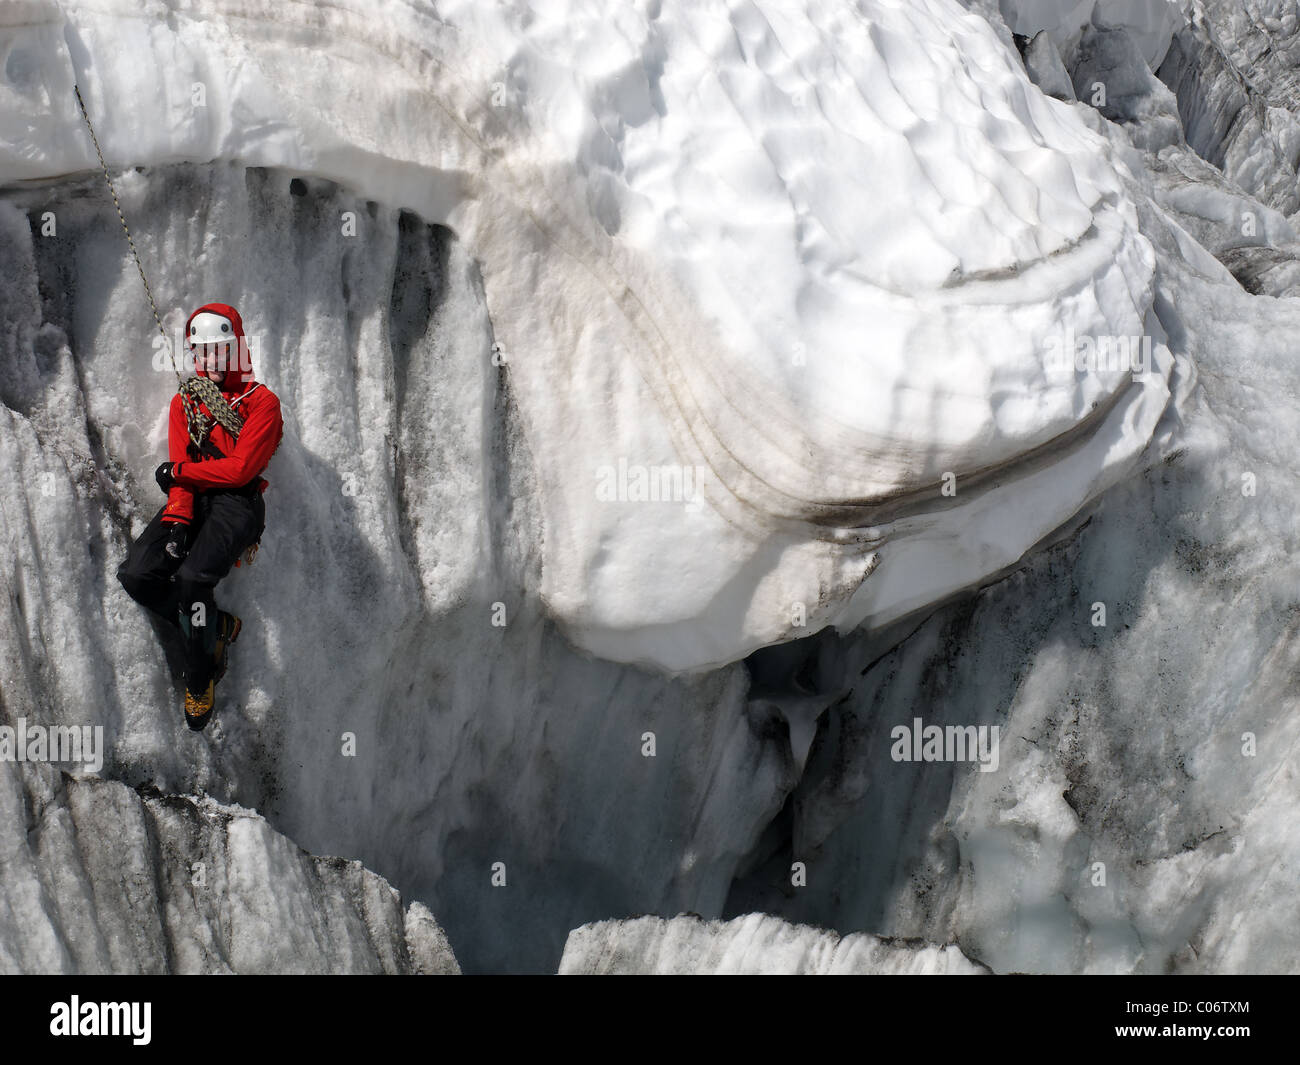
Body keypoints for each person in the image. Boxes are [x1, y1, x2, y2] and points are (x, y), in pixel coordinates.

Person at [116, 303, 284, 730]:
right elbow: (179, 469)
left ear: (236, 348)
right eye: (201, 352)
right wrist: (177, 518)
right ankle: (213, 626)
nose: (209, 361)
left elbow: (242, 468)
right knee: (138, 575)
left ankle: (200, 677)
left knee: (192, 581)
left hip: (238, 504)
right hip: (195, 497)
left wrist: (180, 474)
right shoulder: (184, 404)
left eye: (219, 350)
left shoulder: (262, 403)